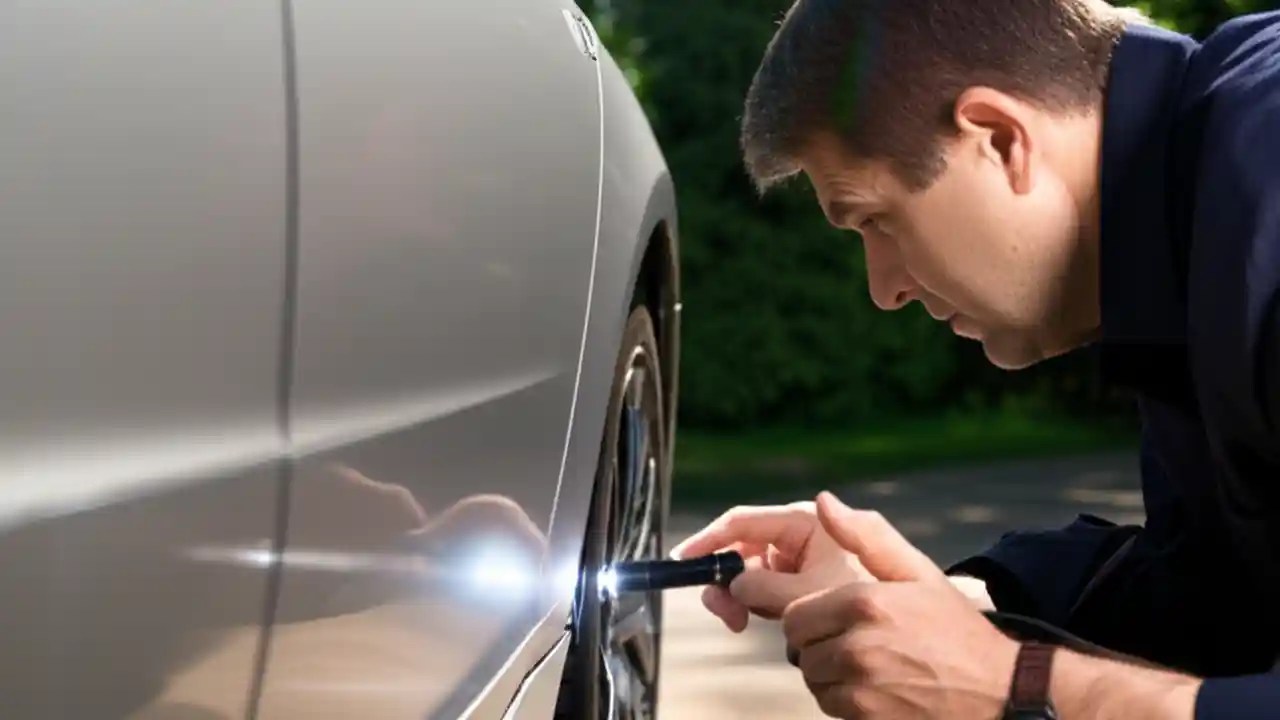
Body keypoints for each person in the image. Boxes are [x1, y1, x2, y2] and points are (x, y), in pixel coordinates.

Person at [673, 1, 1280, 717]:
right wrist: (948, 608)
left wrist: (1013, 684)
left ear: (997, 139)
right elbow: (1220, 600)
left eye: (876, 219)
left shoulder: (1263, 204)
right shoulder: (1189, 231)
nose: (885, 290)